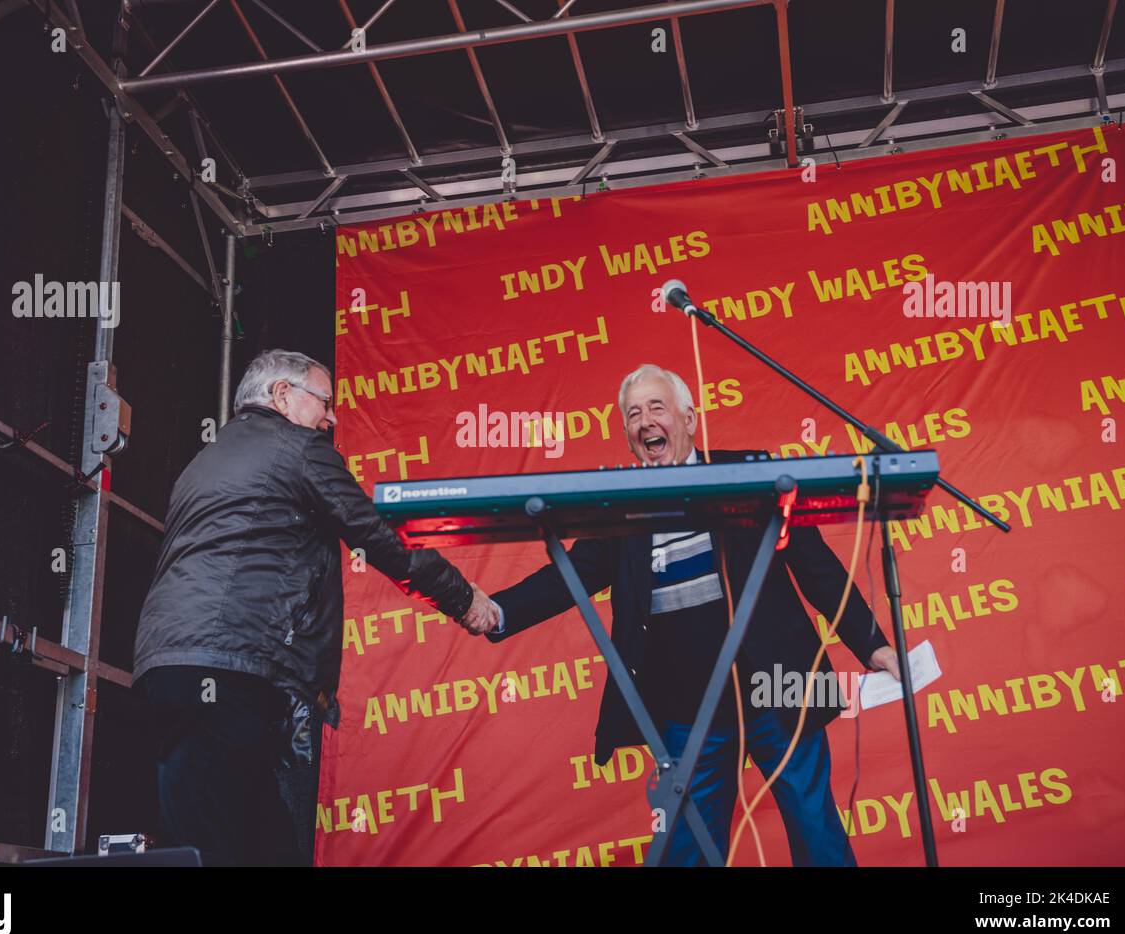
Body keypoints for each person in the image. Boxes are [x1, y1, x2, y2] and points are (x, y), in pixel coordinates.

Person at [475, 363, 901, 866]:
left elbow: (817, 568)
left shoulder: (750, 475)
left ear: (689, 419)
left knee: (817, 832)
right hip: (685, 709)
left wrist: (873, 643)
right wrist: (498, 611)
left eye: (657, 407)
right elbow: (568, 576)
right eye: (633, 413)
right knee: (689, 851)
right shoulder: (619, 510)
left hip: (780, 686)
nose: (645, 420)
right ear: (629, 436)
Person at [133, 349, 497, 865]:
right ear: (283, 395)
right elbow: (376, 538)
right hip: (234, 667)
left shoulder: (202, 463)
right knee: (225, 846)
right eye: (324, 402)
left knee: (236, 838)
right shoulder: (297, 447)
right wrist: (462, 598)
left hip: (165, 668)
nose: (330, 418)